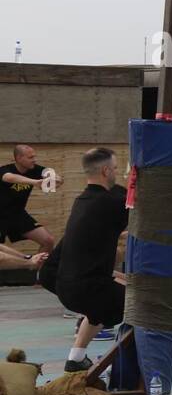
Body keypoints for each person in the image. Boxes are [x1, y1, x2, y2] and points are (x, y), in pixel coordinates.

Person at [53, 148, 129, 373]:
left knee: (103, 306)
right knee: (145, 302)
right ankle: (117, 365)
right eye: (115, 169)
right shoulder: (108, 203)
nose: (117, 173)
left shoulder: (84, 199)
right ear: (106, 171)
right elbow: (146, 223)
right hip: (89, 289)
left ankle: (75, 358)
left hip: (66, 286)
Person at [1, 144, 61, 255]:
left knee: (48, 241)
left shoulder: (34, 169)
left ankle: (37, 270)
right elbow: (8, 177)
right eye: (30, 157)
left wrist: (55, 178)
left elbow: (48, 172)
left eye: (34, 156)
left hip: (17, 214)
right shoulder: (5, 170)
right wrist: (35, 182)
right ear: (19, 158)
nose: (34, 160)